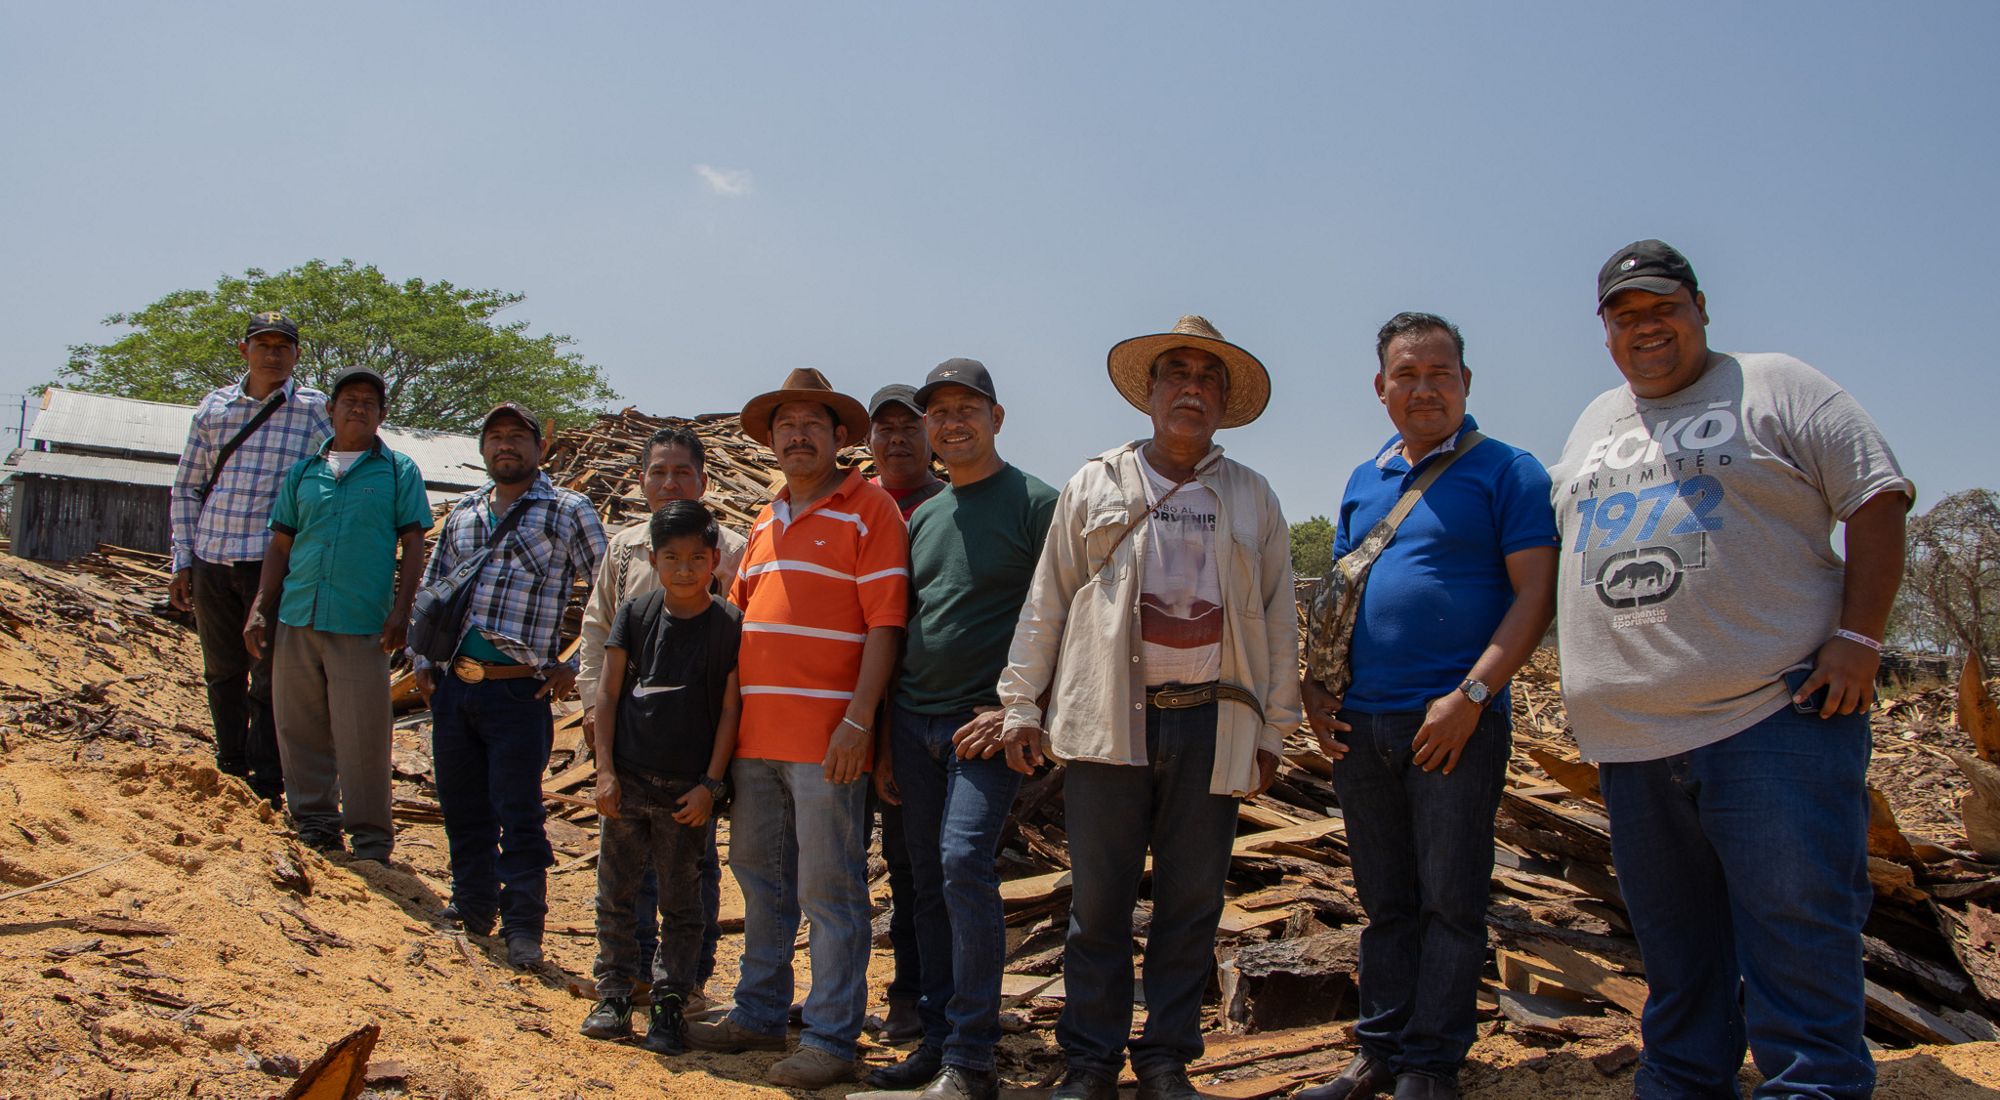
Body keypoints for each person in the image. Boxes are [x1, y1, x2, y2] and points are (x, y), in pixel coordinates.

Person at [1549, 240, 1911, 1099]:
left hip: (1773, 720)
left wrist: (1860, 639)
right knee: (1679, 956)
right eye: (1625, 315)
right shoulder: (1596, 418)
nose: (1647, 327)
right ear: (1604, 330)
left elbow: (1877, 495)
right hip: (1635, 744)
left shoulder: (1778, 385)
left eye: (1663, 307)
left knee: (1797, 938)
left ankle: (1811, 1088)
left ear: (1701, 306)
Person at [996, 316, 1302, 1100]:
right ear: (1153, 392)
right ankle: (1090, 1063)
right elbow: (1049, 599)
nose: (1191, 388)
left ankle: (1166, 1060)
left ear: (1222, 401)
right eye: (1177, 374)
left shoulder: (1250, 496)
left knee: (1191, 903)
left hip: (1213, 721)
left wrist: (1276, 727)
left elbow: (1276, 617)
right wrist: (1021, 704)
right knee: (1097, 905)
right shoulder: (1096, 483)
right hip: (1108, 721)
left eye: (1207, 378)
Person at [1298, 315, 1557, 1100]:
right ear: (1381, 389)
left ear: (1466, 383)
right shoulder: (1362, 479)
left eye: (1440, 373)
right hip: (1360, 724)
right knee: (1385, 901)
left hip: (1453, 722)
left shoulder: (1509, 472)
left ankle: (1431, 1063)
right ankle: (1378, 1051)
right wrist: (1314, 688)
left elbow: (1535, 596)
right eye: (1406, 375)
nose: (1424, 388)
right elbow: (1342, 594)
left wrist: (1472, 696)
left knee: (1451, 898)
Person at [686, 368, 908, 1090]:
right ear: (772, 440)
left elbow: (885, 625)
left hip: (826, 744)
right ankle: (758, 1011)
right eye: (786, 426)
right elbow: (740, 622)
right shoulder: (762, 517)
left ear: (841, 437)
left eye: (813, 423)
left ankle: (831, 1038)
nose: (799, 436)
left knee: (830, 892)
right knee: (760, 882)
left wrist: (857, 721)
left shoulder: (870, 510)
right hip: (755, 741)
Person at [866, 360, 1059, 1100]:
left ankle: (971, 1061)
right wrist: (886, 737)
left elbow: (1068, 618)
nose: (951, 422)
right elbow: (905, 628)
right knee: (922, 884)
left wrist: (1019, 709)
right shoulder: (925, 516)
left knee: (961, 866)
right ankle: (938, 1044)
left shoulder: (1036, 504)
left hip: (985, 727)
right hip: (912, 725)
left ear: (997, 418)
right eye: (937, 412)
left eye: (966, 408)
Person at [414, 403, 607, 968]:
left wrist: (575, 665)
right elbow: (433, 586)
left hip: (519, 689)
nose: (506, 447)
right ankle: (472, 906)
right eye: (495, 437)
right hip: (456, 685)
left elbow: (607, 592)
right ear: (482, 450)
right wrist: (420, 657)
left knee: (518, 809)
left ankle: (524, 924)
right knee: (462, 804)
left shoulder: (568, 510)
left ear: (538, 449)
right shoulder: (465, 512)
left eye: (517, 438)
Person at [575, 426, 747, 1011]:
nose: (669, 481)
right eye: (658, 472)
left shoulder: (734, 546)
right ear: (642, 479)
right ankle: (628, 980)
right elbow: (598, 627)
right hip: (629, 738)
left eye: (681, 472)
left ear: (703, 480)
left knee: (690, 867)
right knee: (625, 869)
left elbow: (737, 650)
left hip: (693, 742)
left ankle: (687, 982)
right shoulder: (625, 545)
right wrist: (590, 703)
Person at [244, 366, 432, 864]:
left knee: (363, 735)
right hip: (298, 616)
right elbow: (280, 544)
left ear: (382, 415)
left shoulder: (398, 471)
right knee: (299, 727)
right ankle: (316, 825)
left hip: (361, 623)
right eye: (348, 399)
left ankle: (370, 840)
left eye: (369, 402)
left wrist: (401, 610)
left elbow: (413, 542)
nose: (358, 408)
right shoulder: (304, 473)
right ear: (330, 410)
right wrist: (261, 608)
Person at [169, 310, 331, 804]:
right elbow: (187, 487)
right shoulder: (214, 409)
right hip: (213, 557)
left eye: (283, 345)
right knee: (221, 670)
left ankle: (268, 780)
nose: (273, 353)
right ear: (245, 351)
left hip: (273, 565)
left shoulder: (314, 410)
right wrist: (182, 559)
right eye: (263, 344)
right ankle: (231, 765)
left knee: (269, 677)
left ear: (297, 355)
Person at [864, 381, 943, 1044]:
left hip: (911, 717)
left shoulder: (947, 507)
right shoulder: (859, 508)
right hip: (837, 712)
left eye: (908, 427)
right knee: (828, 859)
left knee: (911, 865)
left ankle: (911, 997)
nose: (896, 440)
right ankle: (835, 994)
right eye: (883, 429)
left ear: (930, 436)